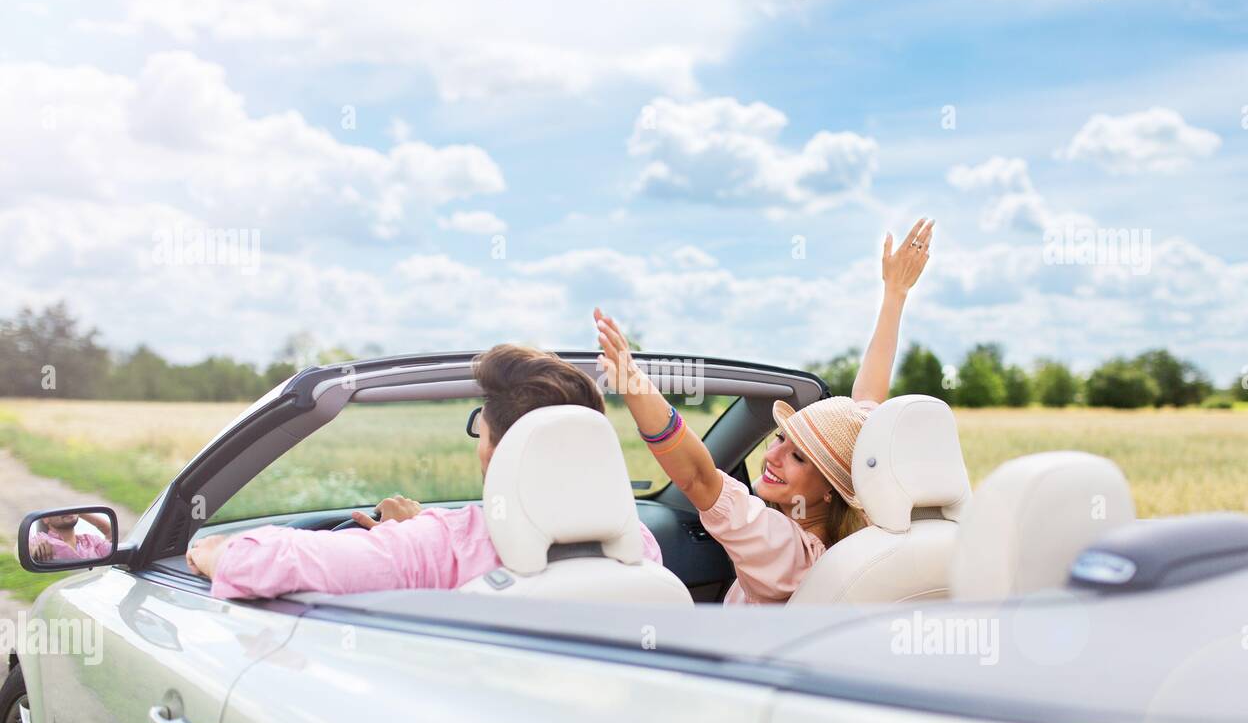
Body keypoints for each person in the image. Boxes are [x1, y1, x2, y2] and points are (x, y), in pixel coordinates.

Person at [595, 217, 933, 604]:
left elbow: (699, 479)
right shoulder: (869, 540)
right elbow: (867, 398)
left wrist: (634, 385)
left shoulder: (786, 551)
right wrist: (895, 293)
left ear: (831, 491)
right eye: (780, 438)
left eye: (798, 457)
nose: (772, 456)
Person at [185, 344, 663, 599]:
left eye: (482, 430)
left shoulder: (435, 546)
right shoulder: (637, 545)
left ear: (498, 450)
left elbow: (264, 563)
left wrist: (213, 550)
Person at [30, 512, 114, 562]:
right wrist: (34, 552)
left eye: (67, 507)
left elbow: (111, 533)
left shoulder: (91, 540)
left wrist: (78, 511)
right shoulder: (43, 540)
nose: (65, 510)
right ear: (46, 519)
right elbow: (27, 548)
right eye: (59, 509)